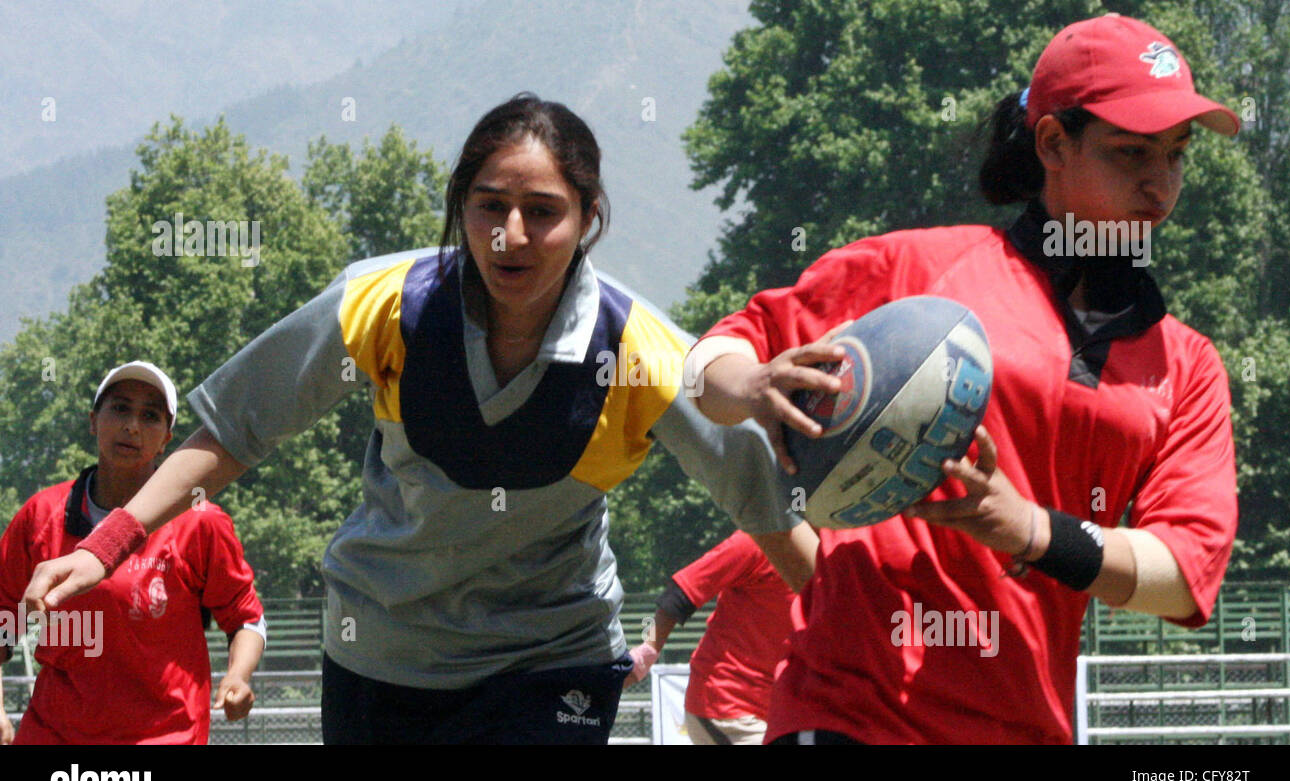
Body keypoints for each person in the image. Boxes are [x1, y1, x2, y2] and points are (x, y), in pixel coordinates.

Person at [21, 95, 817, 745]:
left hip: (553, 658)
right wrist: (107, 544)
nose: (511, 236)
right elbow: (237, 429)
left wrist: (868, 645)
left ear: (588, 218)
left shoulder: (635, 349)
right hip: (384, 651)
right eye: (488, 207)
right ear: (459, 208)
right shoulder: (384, 304)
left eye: (543, 211)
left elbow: (766, 507)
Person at [685, 14, 1239, 744]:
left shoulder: (1187, 364)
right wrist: (753, 383)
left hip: (1024, 725)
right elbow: (705, 366)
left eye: (1176, 154)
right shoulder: (921, 271)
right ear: (1052, 144)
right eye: (1130, 151)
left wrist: (1035, 532)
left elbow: (1186, 575)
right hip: (847, 711)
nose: (1158, 182)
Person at [0, 361, 266, 744]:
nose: (132, 426)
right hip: (55, 734)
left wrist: (238, 677)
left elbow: (247, 620)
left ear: (167, 439)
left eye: (150, 416)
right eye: (120, 408)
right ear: (94, 420)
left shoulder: (200, 521)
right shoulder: (41, 514)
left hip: (166, 735)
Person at [624, 530, 802, 744]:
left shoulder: (837, 546)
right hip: (726, 707)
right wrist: (647, 651)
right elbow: (678, 593)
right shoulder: (757, 539)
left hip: (779, 712)